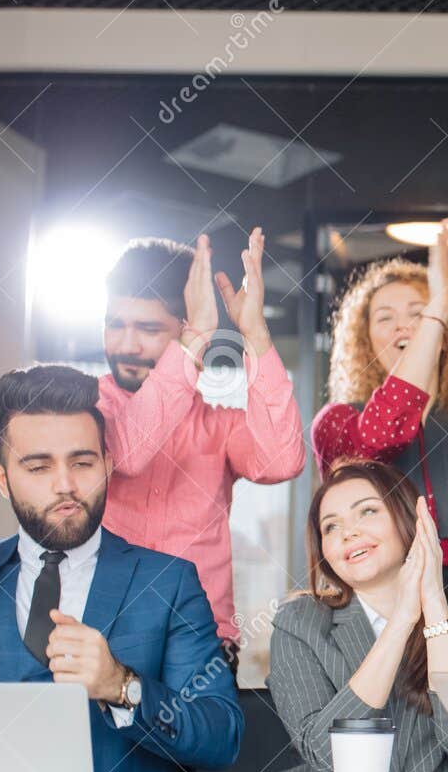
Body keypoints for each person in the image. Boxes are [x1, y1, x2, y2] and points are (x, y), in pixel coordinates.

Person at [0, 353, 241, 772]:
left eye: (82, 463)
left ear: (107, 465)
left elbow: (221, 735)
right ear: (2, 478)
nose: (65, 484)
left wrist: (122, 686)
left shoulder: (168, 583)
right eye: (39, 466)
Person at [312, 200, 448, 632]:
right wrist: (434, 310)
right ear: (365, 339)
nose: (403, 326)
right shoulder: (339, 422)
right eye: (386, 318)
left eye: (416, 313)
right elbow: (383, 436)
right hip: (387, 609)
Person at [99, 228, 306, 670]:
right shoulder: (87, 408)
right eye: (115, 324)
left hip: (201, 643)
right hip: (102, 638)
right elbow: (130, 453)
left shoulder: (218, 426)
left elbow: (283, 460)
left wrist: (256, 336)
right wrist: (193, 343)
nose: (126, 344)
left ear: (184, 325)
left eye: (149, 328)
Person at [266, 459, 448, 772]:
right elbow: (324, 752)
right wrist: (401, 621)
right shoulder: (297, 622)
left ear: (409, 520)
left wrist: (434, 603)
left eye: (367, 512)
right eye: (331, 527)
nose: (348, 532)